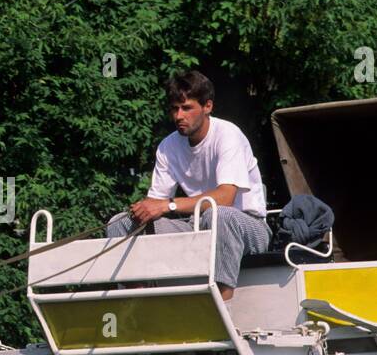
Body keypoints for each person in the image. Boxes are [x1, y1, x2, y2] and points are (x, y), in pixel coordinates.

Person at [106, 70, 270, 300]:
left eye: (186, 108)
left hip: (249, 227)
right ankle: (138, 305)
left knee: (218, 215)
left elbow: (226, 198)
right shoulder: (167, 146)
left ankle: (223, 307)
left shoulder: (228, 135)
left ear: (207, 107)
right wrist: (144, 209)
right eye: (174, 108)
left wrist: (168, 206)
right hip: (197, 226)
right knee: (120, 223)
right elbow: (155, 203)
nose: (179, 116)